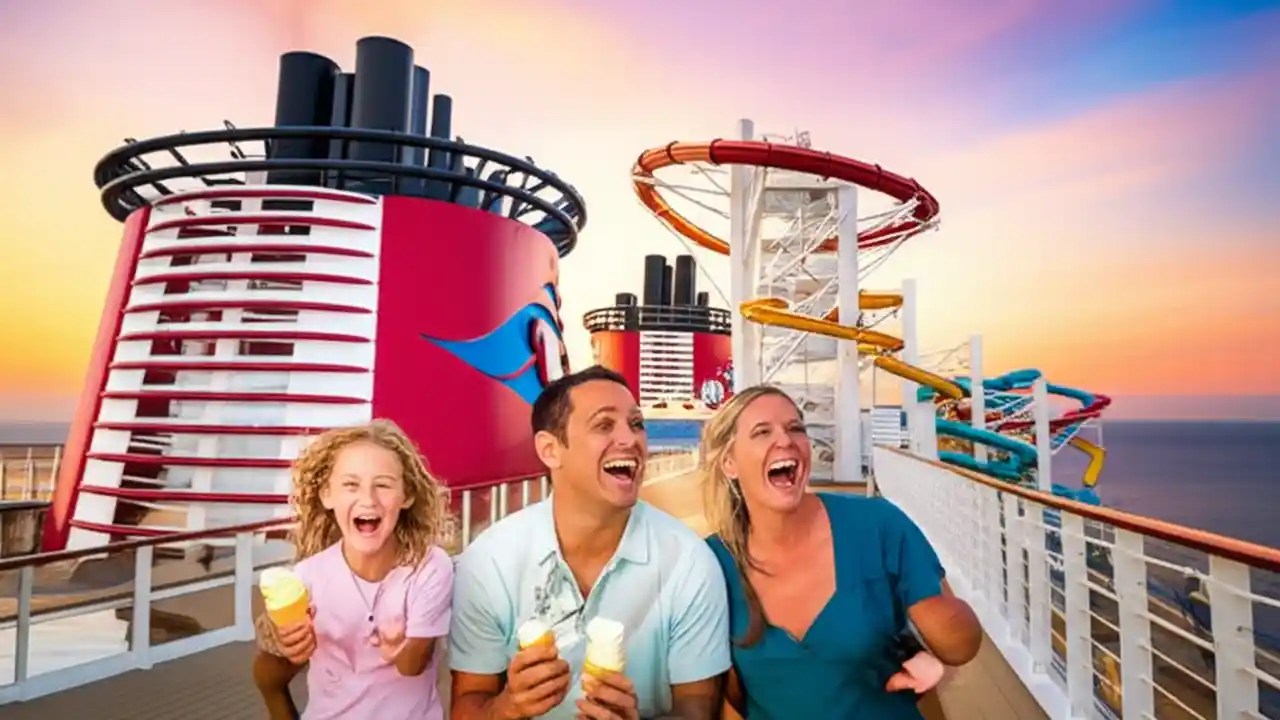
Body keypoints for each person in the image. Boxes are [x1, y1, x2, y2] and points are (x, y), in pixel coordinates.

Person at [448, 365, 730, 720]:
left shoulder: (689, 562)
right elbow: (467, 704)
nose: (629, 439)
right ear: (550, 449)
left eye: (636, 424)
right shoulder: (490, 562)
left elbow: (699, 708)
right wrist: (507, 708)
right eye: (604, 425)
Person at [700, 385, 983, 719]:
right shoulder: (710, 562)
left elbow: (959, 644)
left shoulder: (877, 525)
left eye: (796, 428)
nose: (786, 440)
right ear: (729, 463)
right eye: (763, 432)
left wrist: (931, 642)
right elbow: (728, 699)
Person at [253, 420, 456, 720]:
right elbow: (270, 657)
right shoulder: (307, 577)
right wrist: (278, 638)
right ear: (327, 494)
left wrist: (403, 647)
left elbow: (411, 667)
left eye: (383, 485)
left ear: (407, 495)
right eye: (351, 485)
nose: (368, 499)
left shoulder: (430, 567)